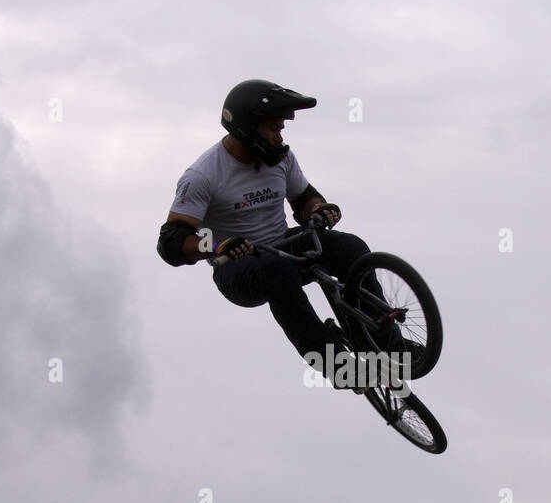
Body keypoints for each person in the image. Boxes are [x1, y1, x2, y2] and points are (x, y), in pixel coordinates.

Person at [156, 79, 408, 389]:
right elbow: (171, 242)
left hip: (285, 245)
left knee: (352, 247)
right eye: (273, 128)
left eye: (281, 128)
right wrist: (218, 246)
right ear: (247, 129)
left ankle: (387, 344)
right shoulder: (203, 176)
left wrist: (319, 211)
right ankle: (335, 365)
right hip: (238, 267)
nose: (280, 136)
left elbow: (304, 200)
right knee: (277, 272)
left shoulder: (281, 159)